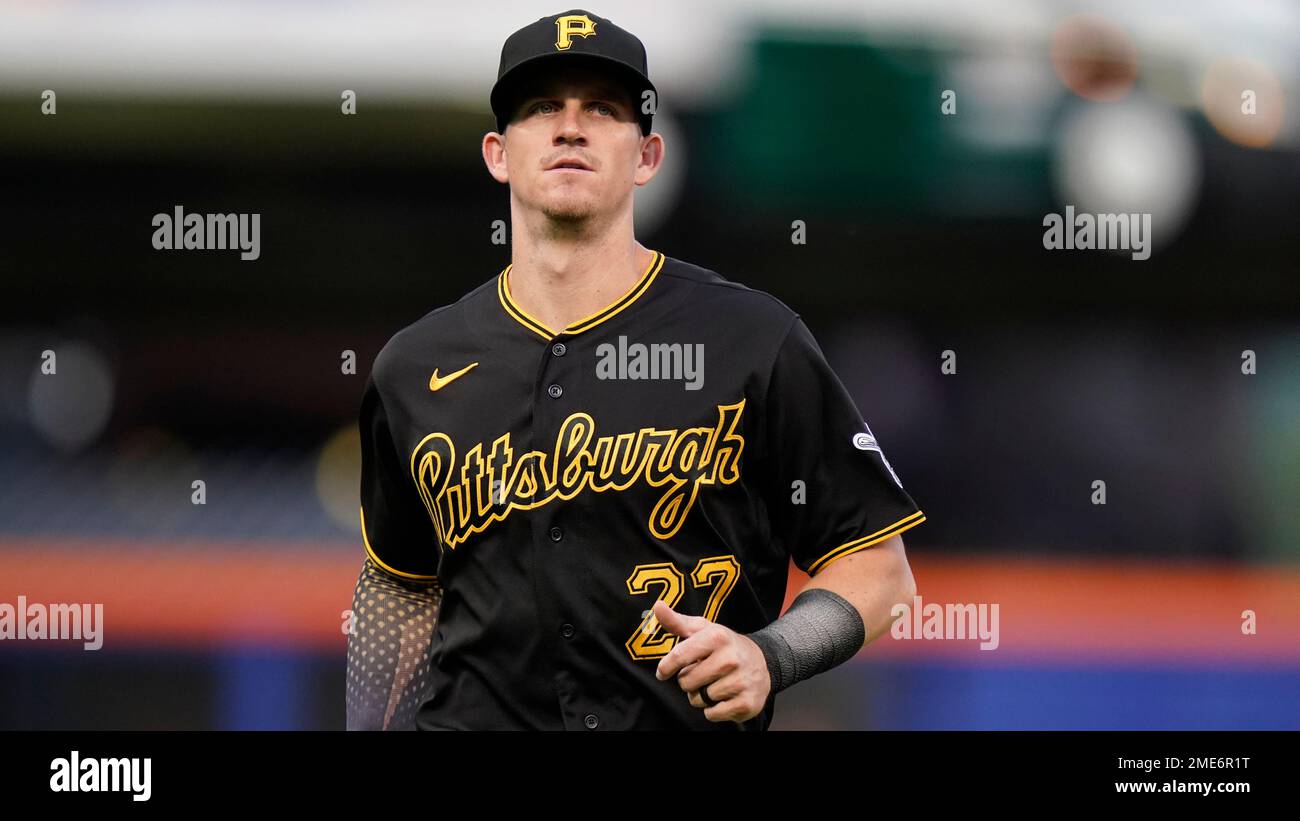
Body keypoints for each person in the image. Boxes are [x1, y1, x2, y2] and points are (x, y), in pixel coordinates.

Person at [345, 8, 925, 731]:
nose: (569, 127)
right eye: (541, 107)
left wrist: (769, 655)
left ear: (649, 155)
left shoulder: (751, 339)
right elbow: (399, 590)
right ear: (498, 152)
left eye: (604, 109)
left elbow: (880, 570)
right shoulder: (415, 366)